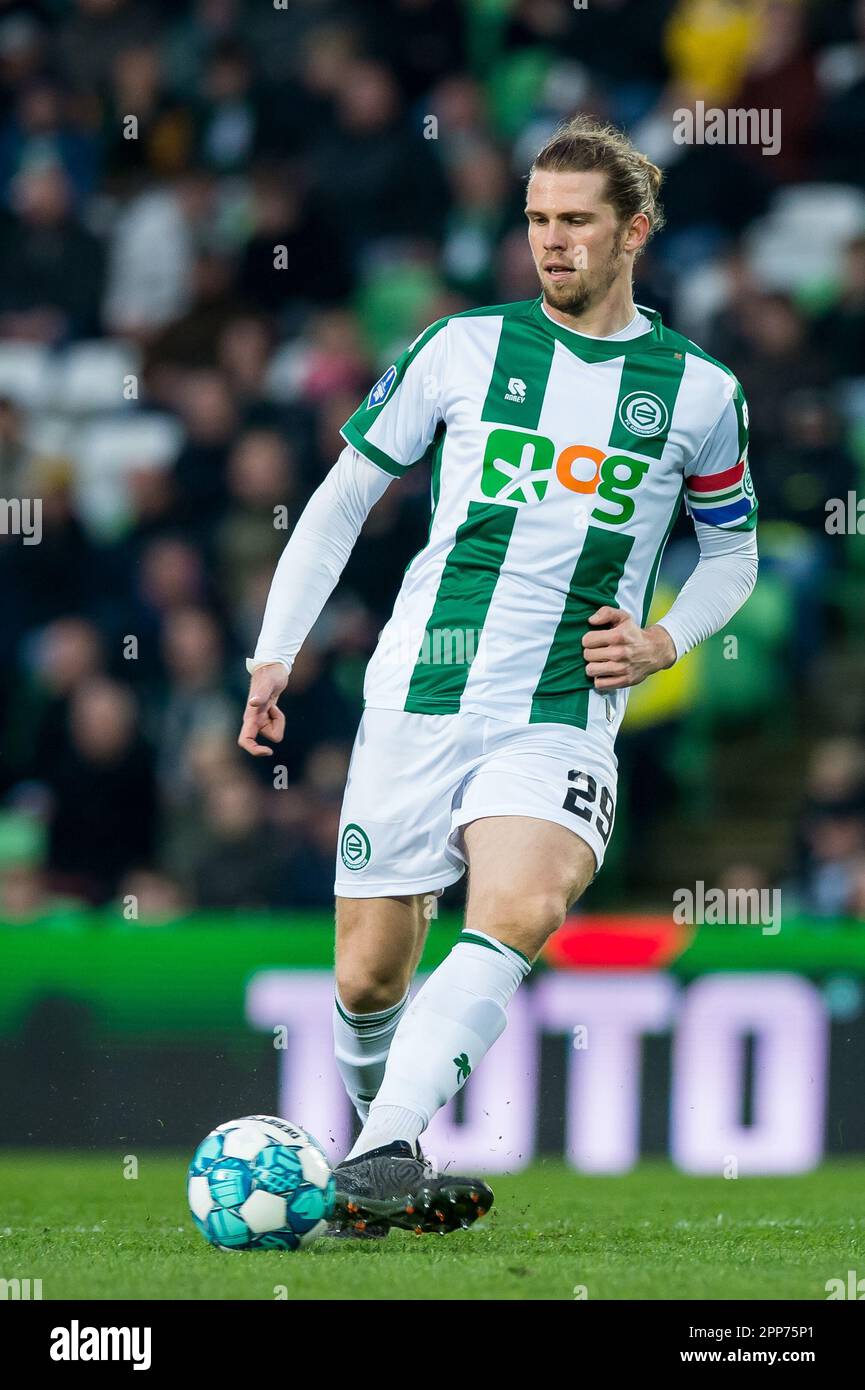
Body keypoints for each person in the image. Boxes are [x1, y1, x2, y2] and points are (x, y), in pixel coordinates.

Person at [238, 116, 758, 1236]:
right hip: (418, 695)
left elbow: (733, 552)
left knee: (523, 905)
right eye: (536, 220)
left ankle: (376, 1155)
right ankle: (383, 1164)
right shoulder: (457, 347)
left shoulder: (701, 392)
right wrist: (274, 648)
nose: (551, 241)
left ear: (636, 230)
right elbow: (339, 501)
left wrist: (666, 639)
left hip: (562, 710)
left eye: (576, 221)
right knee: (370, 976)